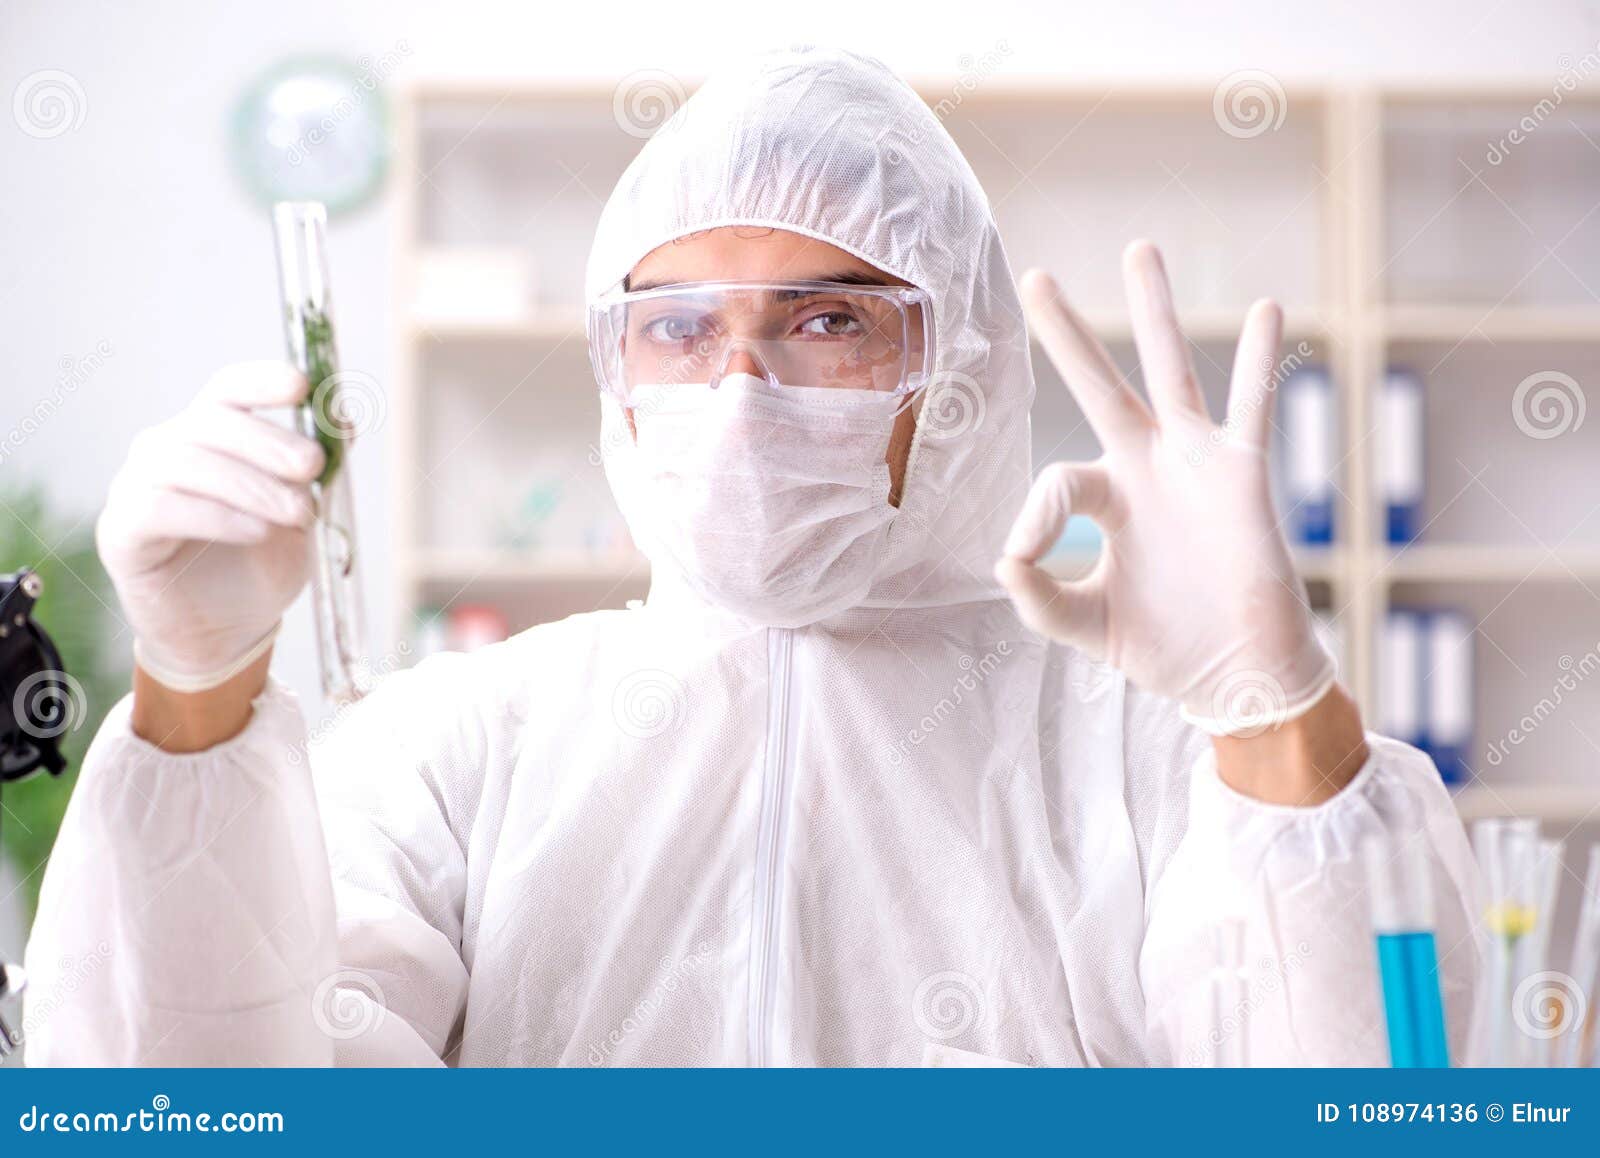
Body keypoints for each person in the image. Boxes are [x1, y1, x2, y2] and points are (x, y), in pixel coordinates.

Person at [27, 47, 1479, 1067]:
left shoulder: (1142, 753)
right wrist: (196, 701)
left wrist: (1283, 722)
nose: (737, 389)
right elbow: (202, 1102)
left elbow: (1393, 1099)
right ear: (616, 373)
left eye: (829, 321)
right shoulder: (471, 744)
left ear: (958, 365)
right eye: (676, 329)